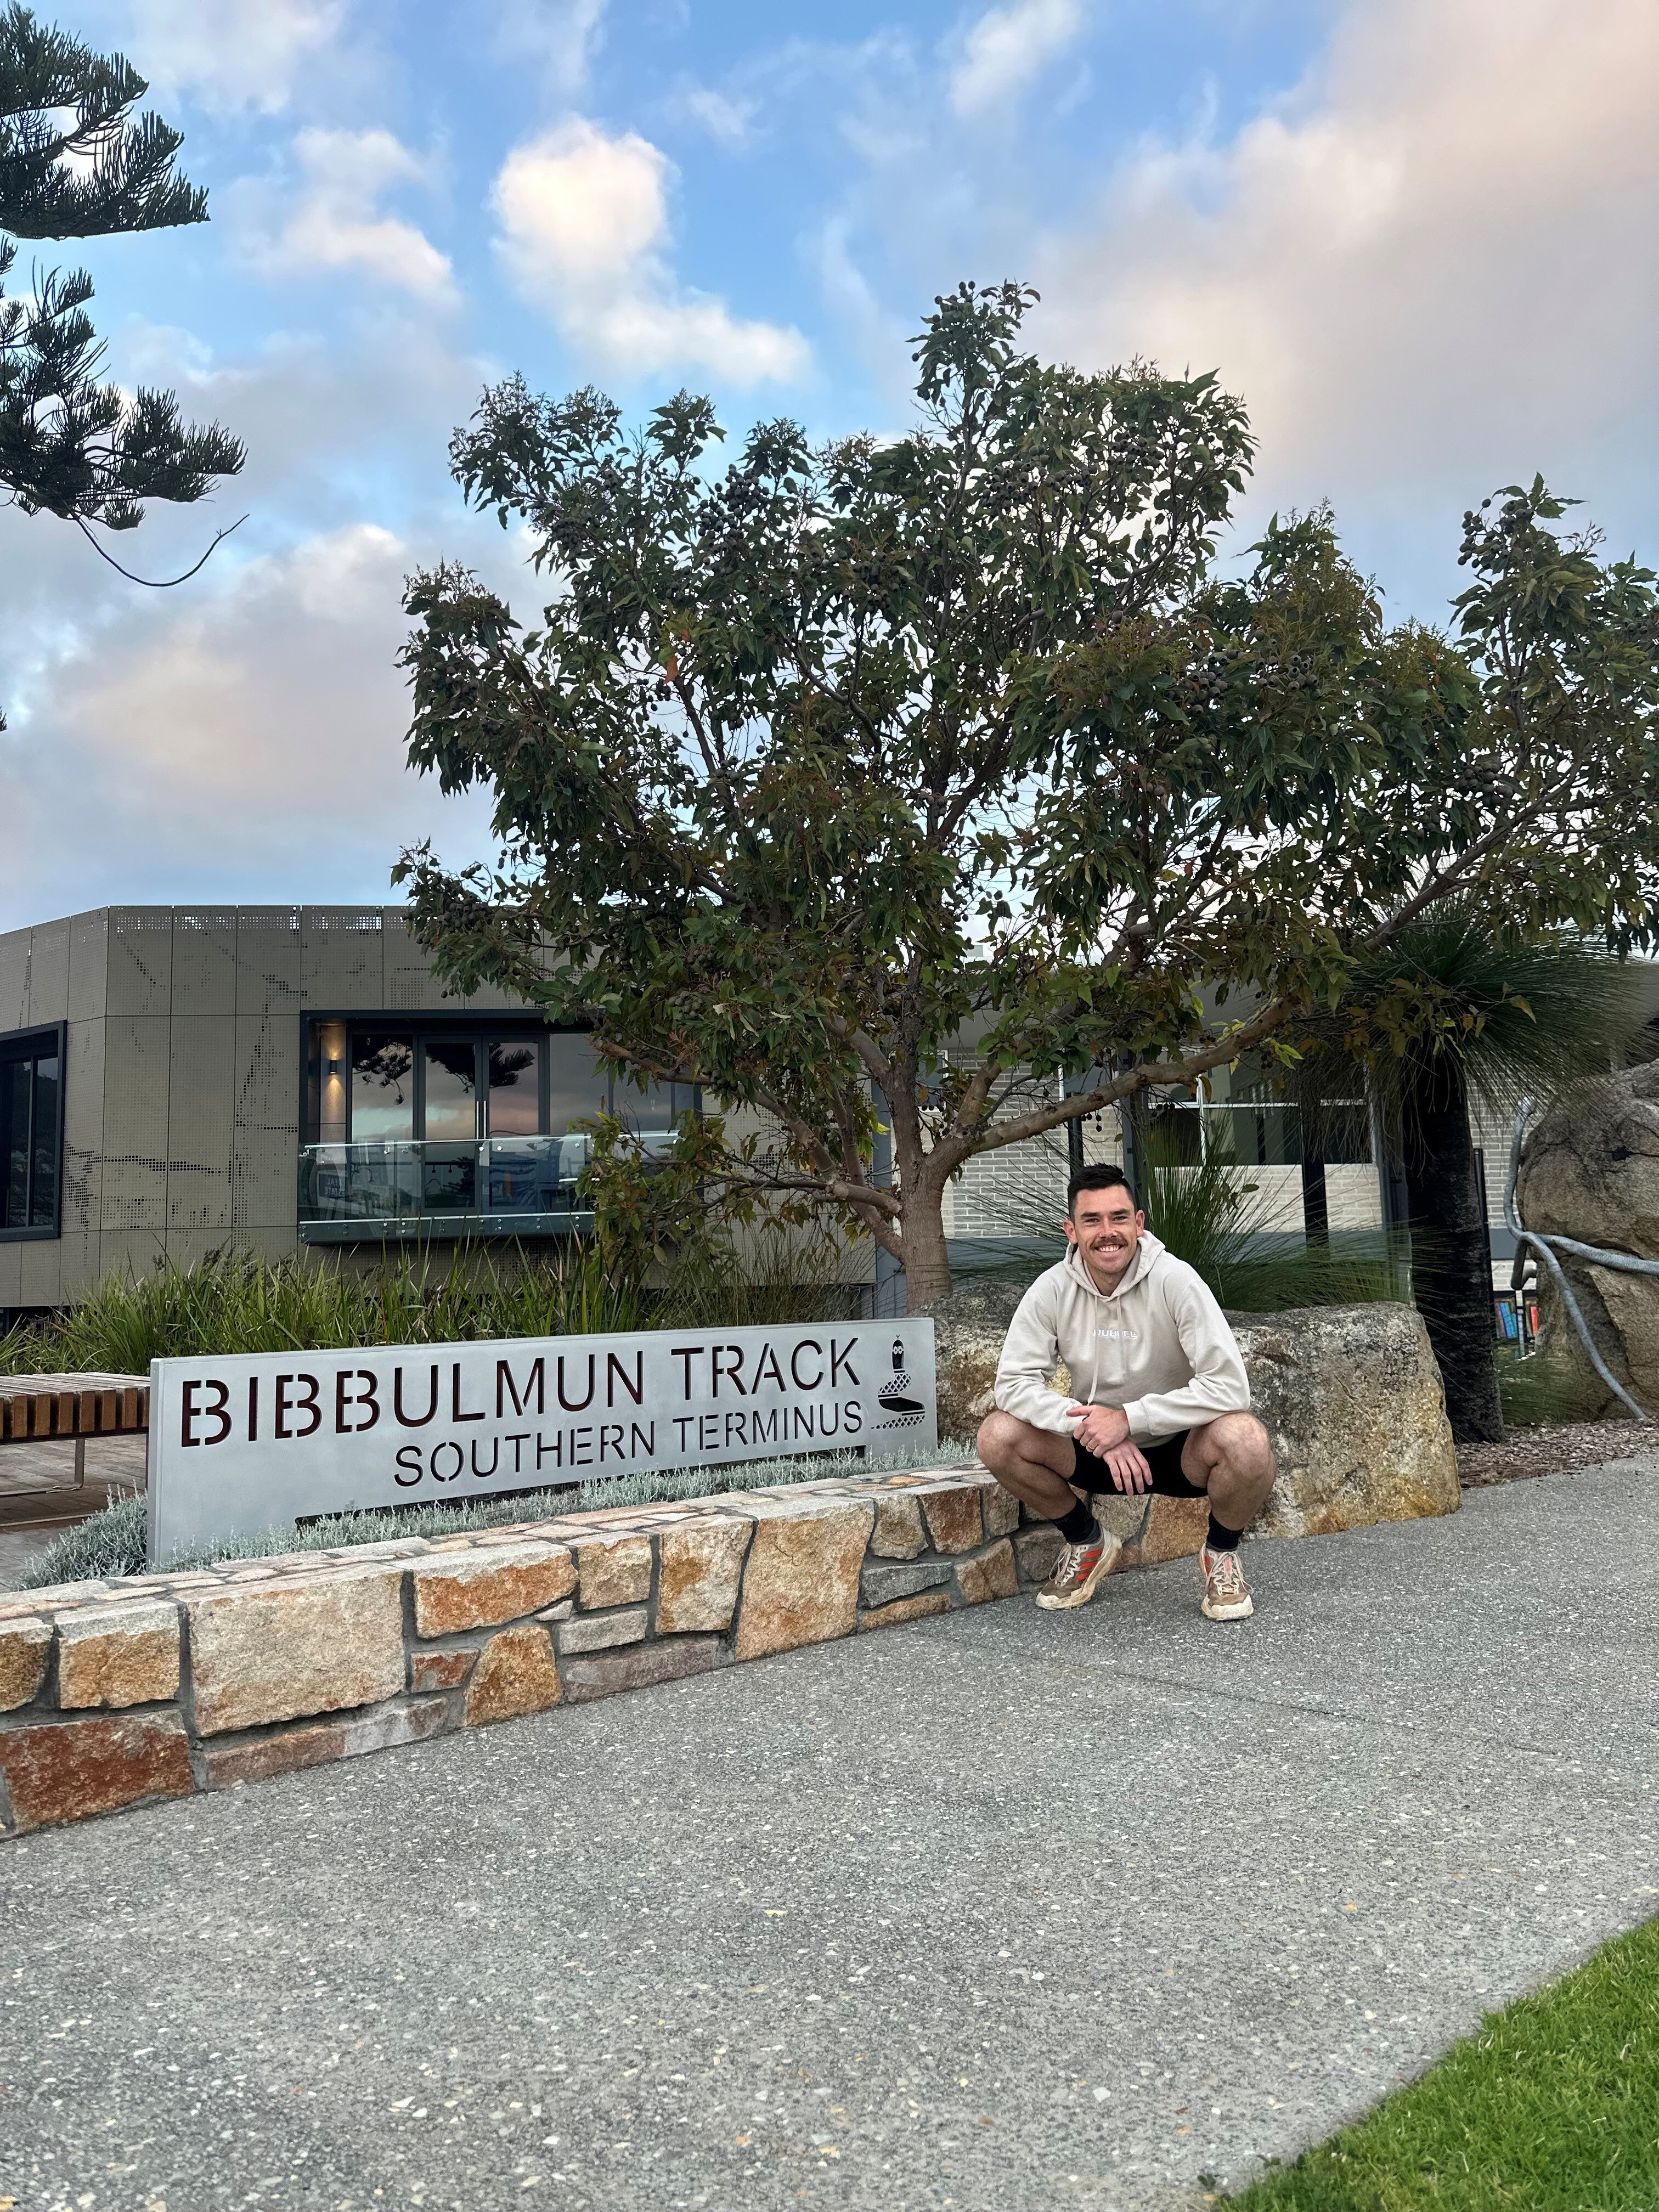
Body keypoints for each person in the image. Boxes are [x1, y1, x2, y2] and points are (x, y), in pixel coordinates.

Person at [976, 1163, 1276, 1620]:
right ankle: (1086, 1540)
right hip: (1096, 1452)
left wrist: (1130, 1420)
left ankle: (1221, 1553)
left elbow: (1230, 1386)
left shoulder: (1177, 1281)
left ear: (1139, 1223)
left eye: (1118, 1218)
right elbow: (1012, 1384)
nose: (1107, 1232)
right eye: (1092, 1220)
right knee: (997, 1436)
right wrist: (1089, 1425)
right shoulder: (1052, 1290)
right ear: (1071, 1231)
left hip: (1181, 1450)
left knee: (1248, 1439)